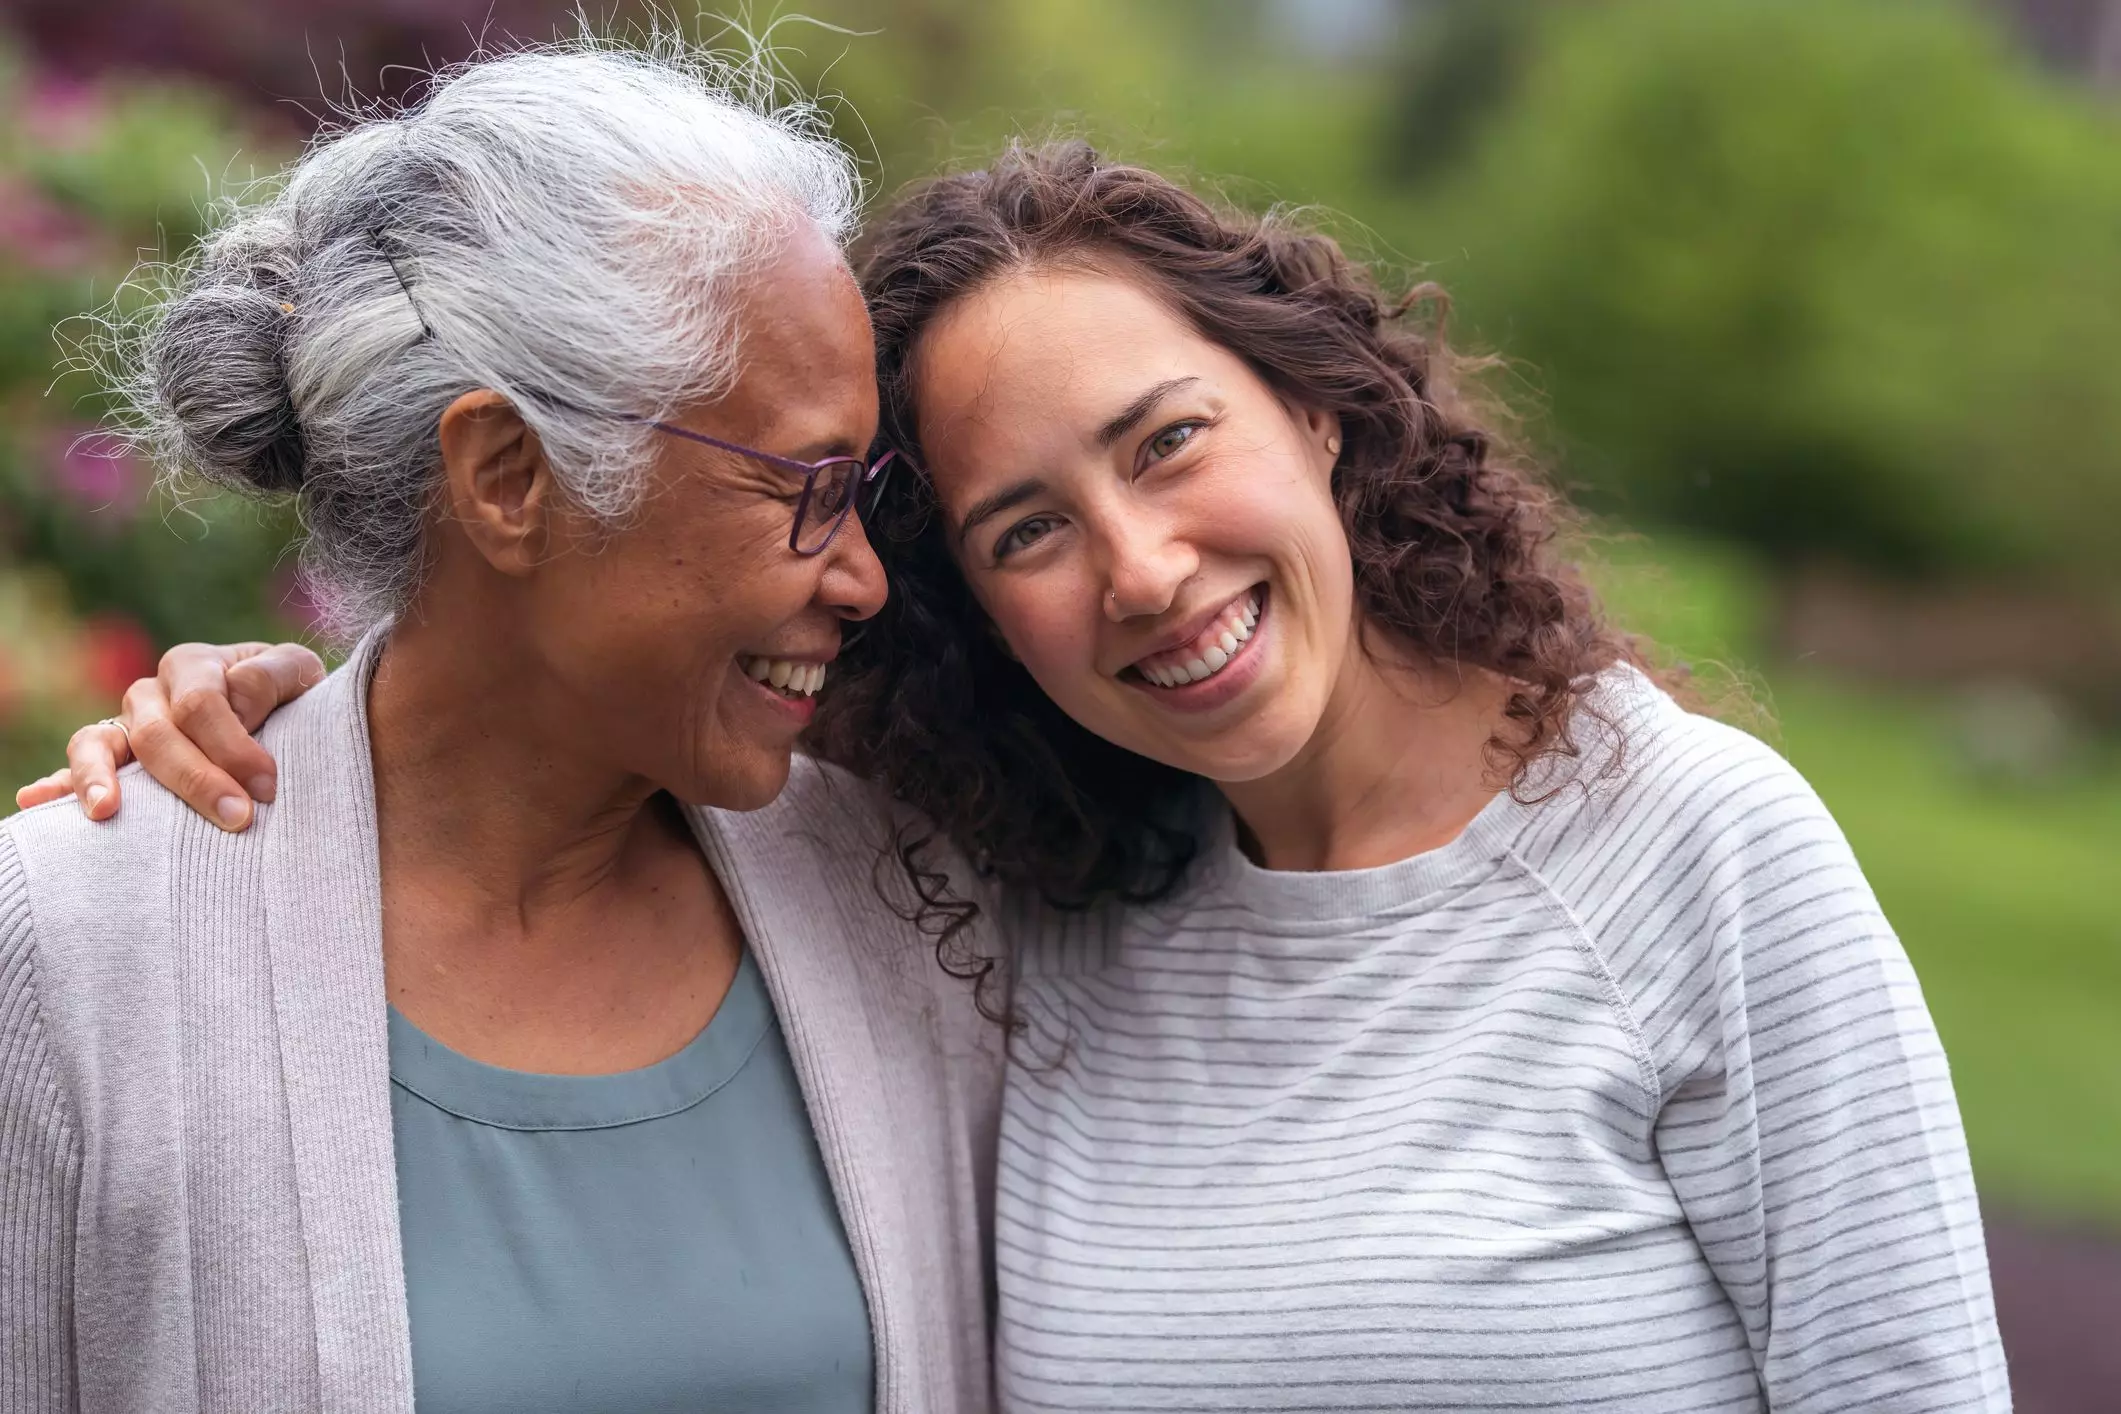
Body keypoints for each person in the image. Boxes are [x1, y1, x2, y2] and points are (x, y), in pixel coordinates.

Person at [32, 143, 2010, 1411]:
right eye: (1018, 528)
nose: (1142, 570)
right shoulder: (1038, 903)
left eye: (1166, 440)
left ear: (1317, 406)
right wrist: (268, 725)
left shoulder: (1688, 853)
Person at [0, 44, 998, 1414]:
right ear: (509, 477)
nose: (866, 577)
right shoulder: (75, 954)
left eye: (861, 485)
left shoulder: (912, 909)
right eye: (805, 487)